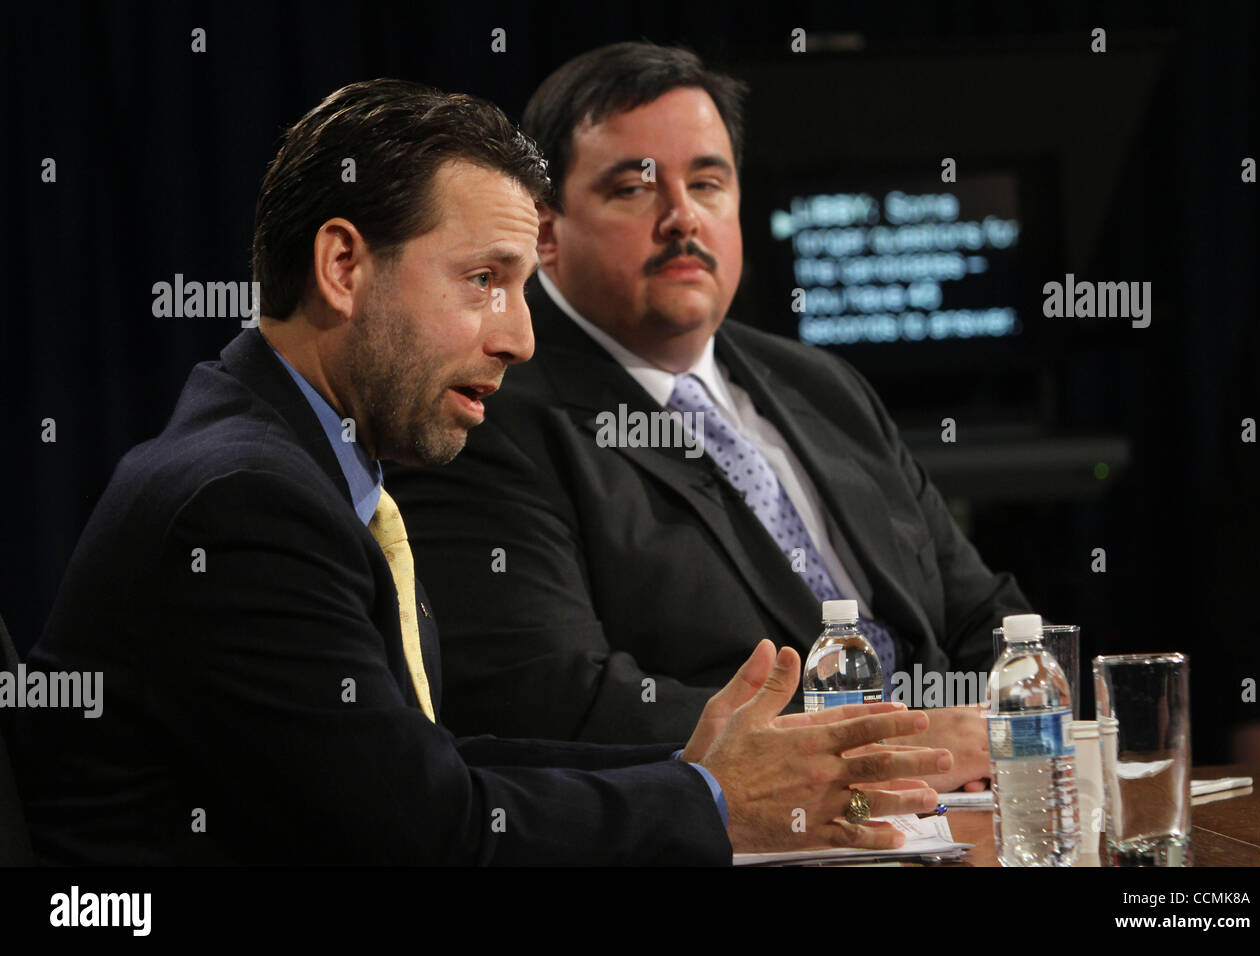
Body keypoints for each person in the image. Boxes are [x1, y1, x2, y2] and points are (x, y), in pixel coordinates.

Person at [10, 79, 950, 865]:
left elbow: (425, 766)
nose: (520, 336)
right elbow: (435, 838)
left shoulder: (291, 453)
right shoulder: (243, 501)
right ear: (343, 266)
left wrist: (698, 760)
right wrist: (707, 801)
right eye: (484, 281)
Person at [386, 44, 1031, 792]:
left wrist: (1007, 728)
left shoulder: (821, 384)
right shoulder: (492, 413)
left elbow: (987, 613)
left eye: (708, 182)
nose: (681, 216)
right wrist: (882, 745)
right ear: (546, 231)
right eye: (635, 188)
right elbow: (553, 700)